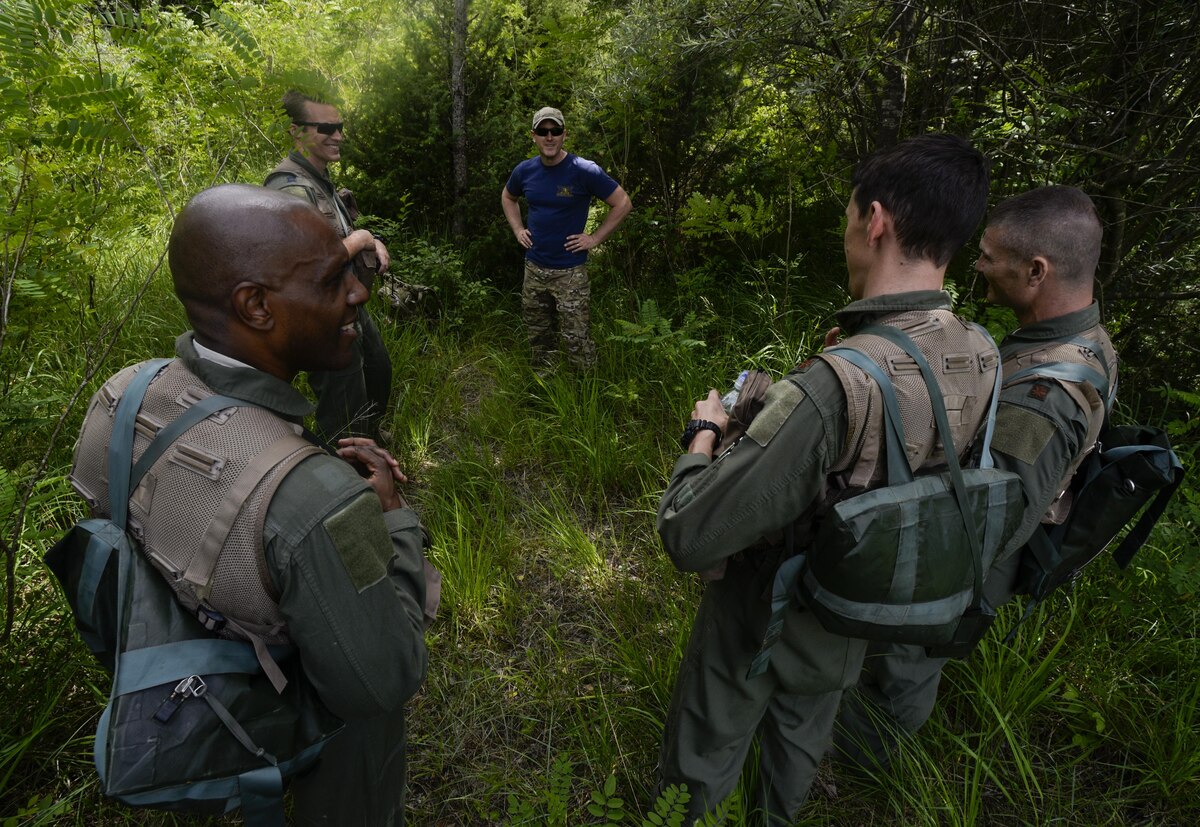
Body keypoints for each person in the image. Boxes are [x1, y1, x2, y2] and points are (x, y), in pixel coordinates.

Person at [655, 134, 994, 824]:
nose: (845, 233)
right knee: (799, 743)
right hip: (861, 608)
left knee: (701, 765)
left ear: (876, 221)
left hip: (766, 610)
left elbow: (690, 533)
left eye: (847, 218)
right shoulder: (981, 350)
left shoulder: (838, 383)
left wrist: (706, 434)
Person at [70, 185, 432, 825]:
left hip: (188, 707)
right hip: (307, 742)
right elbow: (381, 681)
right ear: (256, 306)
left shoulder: (122, 395)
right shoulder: (316, 501)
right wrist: (392, 517)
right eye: (331, 280)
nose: (358, 292)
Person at [831, 185, 1118, 777]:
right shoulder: (1065, 338)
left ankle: (857, 766)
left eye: (989, 256)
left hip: (962, 558)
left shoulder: (1048, 393)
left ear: (1036, 271)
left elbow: (991, 515)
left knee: (904, 658)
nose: (977, 265)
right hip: (967, 534)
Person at [266, 89, 393, 442]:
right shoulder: (289, 187)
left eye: (339, 125)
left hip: (347, 303)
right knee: (343, 405)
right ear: (297, 131)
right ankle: (345, 475)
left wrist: (372, 240)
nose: (337, 135)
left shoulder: (319, 180)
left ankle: (370, 442)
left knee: (378, 369)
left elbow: (338, 231)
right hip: (320, 315)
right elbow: (311, 261)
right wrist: (364, 239)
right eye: (325, 127)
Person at [501, 106, 632, 369]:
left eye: (555, 131)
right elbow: (508, 197)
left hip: (569, 272)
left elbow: (623, 203)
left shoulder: (584, 170)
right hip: (534, 268)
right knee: (538, 335)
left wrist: (594, 239)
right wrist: (517, 229)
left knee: (577, 341)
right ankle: (544, 385)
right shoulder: (525, 171)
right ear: (534, 135)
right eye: (543, 131)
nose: (549, 137)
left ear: (564, 135)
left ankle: (583, 392)